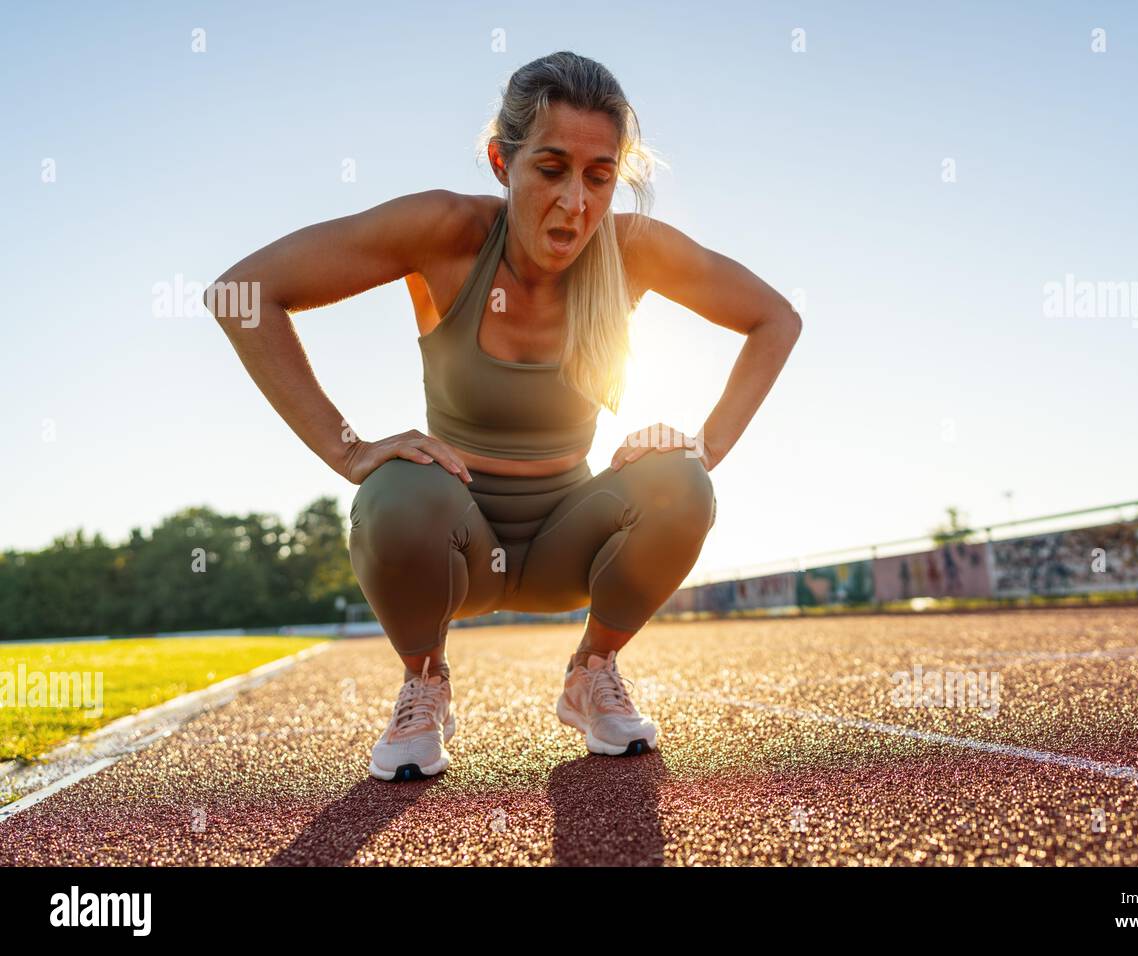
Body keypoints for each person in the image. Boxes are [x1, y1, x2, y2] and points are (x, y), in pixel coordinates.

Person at [206, 51, 801, 781]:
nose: (576, 202)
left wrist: (703, 448)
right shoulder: (445, 232)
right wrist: (349, 450)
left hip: (568, 546)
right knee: (394, 491)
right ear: (501, 161)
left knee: (679, 480)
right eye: (551, 168)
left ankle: (593, 670)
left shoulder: (631, 251)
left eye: (599, 176)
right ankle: (424, 683)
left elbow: (775, 318)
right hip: (456, 543)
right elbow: (241, 293)